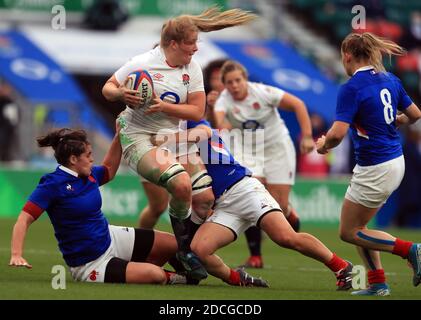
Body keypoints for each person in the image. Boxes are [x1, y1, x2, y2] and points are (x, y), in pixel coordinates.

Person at [102, 7, 256, 280]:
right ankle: (186, 250)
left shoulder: (192, 68)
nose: (196, 49)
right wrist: (122, 93)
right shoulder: (143, 63)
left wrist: (164, 107)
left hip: (169, 137)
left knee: (205, 198)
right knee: (181, 185)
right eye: (190, 43)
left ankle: (188, 251)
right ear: (173, 44)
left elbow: (197, 111)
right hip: (138, 135)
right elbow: (108, 88)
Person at [153, 119, 354, 290]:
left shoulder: (192, 123)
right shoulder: (175, 130)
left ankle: (343, 267)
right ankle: (239, 278)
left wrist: (162, 140)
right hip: (223, 203)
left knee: (285, 237)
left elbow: (203, 132)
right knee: (199, 250)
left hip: (243, 188)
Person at [9, 127, 190, 285]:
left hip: (110, 238)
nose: (92, 159)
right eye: (88, 155)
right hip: (90, 263)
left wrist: (119, 135)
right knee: (156, 275)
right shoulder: (51, 185)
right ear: (73, 159)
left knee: (173, 243)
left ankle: (190, 271)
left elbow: (109, 169)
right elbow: (24, 219)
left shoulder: (89, 174)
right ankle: (178, 279)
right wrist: (16, 254)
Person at [316, 32, 421, 296]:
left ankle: (412, 250)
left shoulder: (351, 87)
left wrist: (323, 146)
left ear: (347, 55)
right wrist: (396, 120)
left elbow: (338, 134)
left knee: (349, 232)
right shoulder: (390, 79)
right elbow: (415, 115)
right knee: (360, 228)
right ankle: (377, 283)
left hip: (376, 166)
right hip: (395, 161)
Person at [213, 60, 314, 268]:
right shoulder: (223, 100)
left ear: (245, 79)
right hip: (249, 151)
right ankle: (255, 256)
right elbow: (220, 121)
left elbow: (298, 104)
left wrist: (307, 136)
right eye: (229, 82)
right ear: (225, 84)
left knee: (280, 206)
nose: (234, 85)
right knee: (252, 197)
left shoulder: (262, 91)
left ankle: (288, 212)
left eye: (238, 80)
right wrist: (223, 125)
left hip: (278, 148)